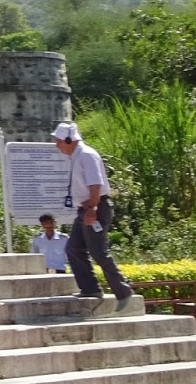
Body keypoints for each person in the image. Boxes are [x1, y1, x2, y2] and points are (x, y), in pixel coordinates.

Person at [53, 122, 137, 308]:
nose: (57, 145)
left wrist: (92, 209)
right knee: (74, 248)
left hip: (94, 207)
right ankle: (90, 288)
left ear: (69, 140)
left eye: (58, 141)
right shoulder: (77, 156)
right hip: (85, 208)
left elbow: (95, 185)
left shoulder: (86, 155)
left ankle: (123, 290)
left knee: (98, 251)